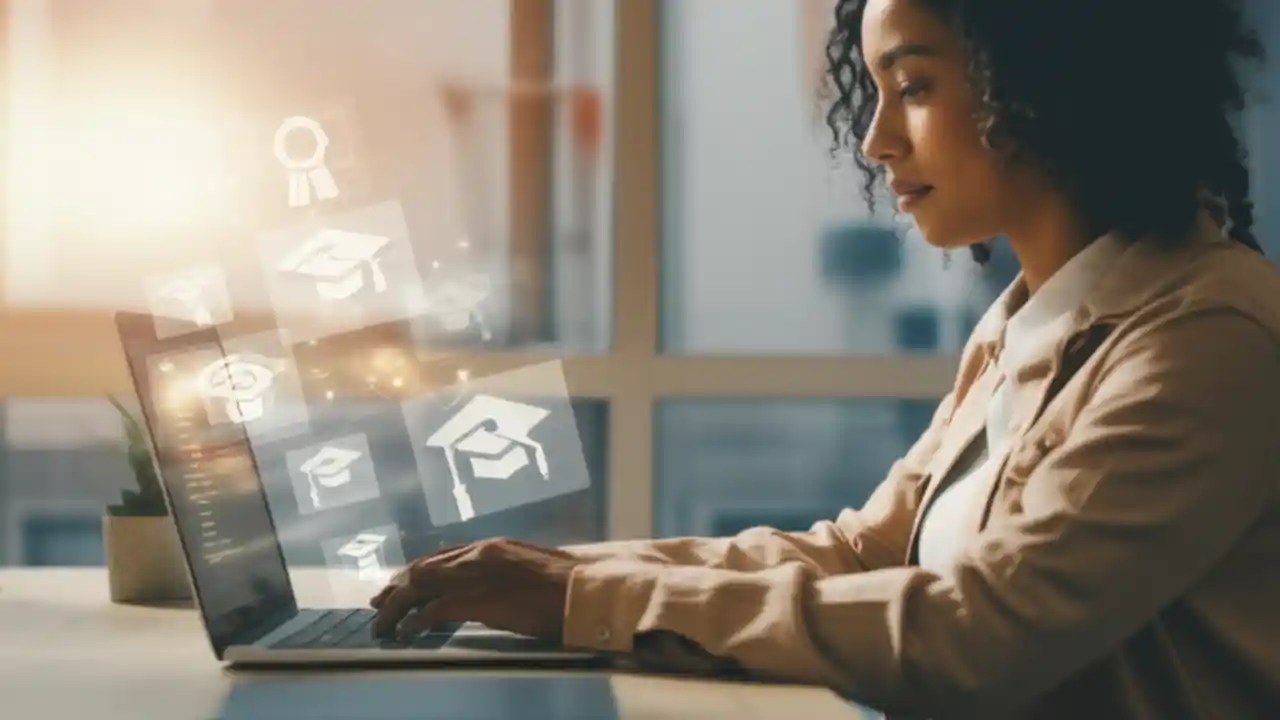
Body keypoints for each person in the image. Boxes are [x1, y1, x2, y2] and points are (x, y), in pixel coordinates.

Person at [372, 0, 1280, 716]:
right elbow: (859, 553)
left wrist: (587, 601)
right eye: (875, 89)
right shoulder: (1027, 323)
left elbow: (979, 634)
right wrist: (562, 575)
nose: (876, 139)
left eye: (914, 85)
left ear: (1049, 80)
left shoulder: (1209, 336)